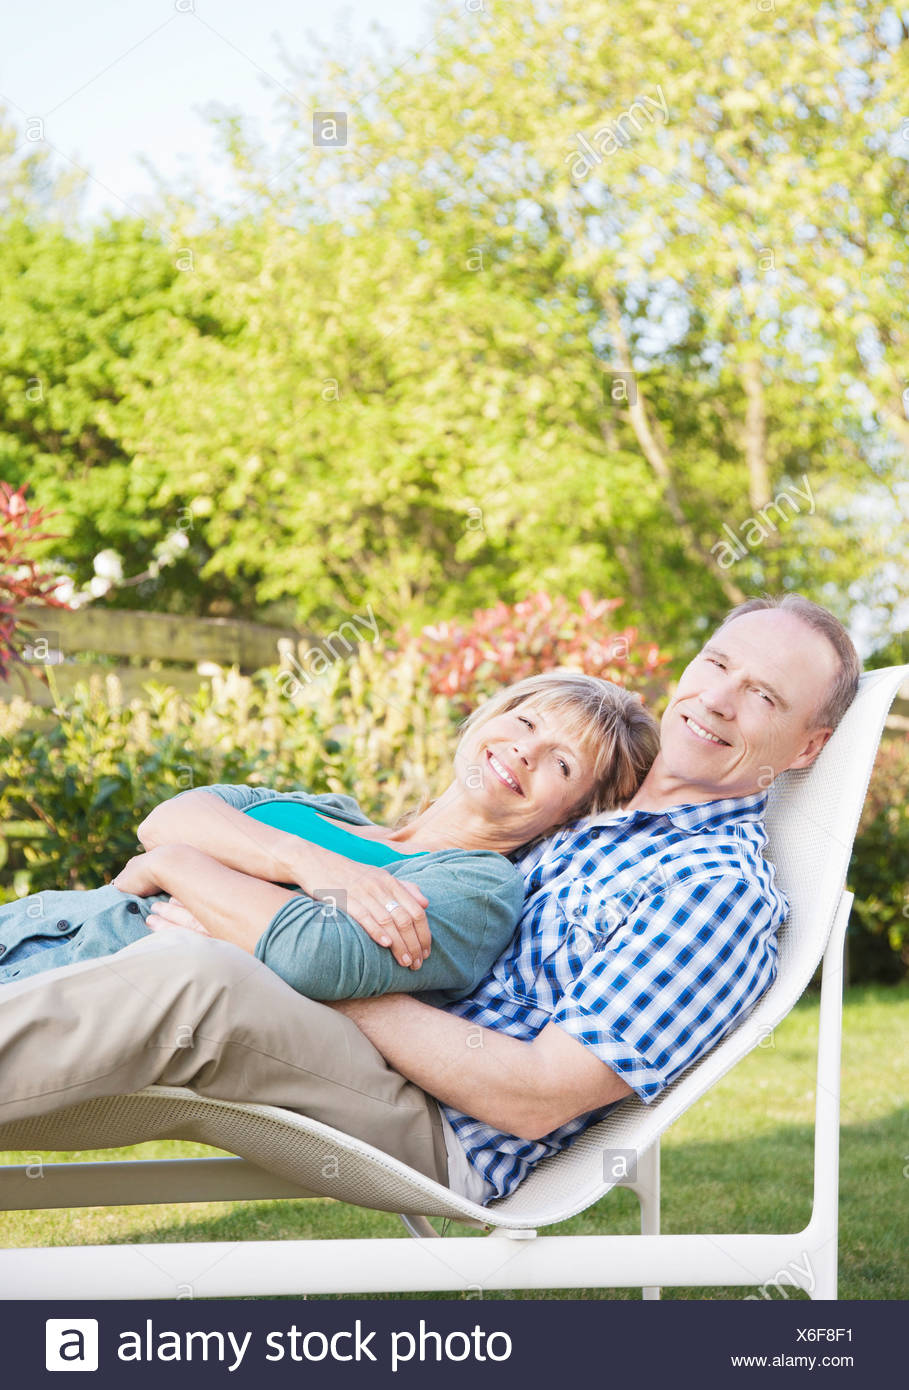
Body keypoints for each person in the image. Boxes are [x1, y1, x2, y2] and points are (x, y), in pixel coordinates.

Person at [0, 595, 861, 1208]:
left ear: (806, 745)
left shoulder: (714, 890)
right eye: (717, 664)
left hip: (441, 1128)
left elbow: (536, 1095)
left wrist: (311, 970)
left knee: (202, 983)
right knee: (189, 959)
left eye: (764, 697)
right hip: (386, 1059)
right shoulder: (595, 829)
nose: (716, 699)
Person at [0, 672, 659, 1006]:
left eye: (562, 765)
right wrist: (300, 861)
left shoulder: (477, 887)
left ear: (574, 813)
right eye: (523, 723)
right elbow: (168, 818)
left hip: (73, 988)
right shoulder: (332, 814)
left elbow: (310, 952)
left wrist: (172, 865)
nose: (522, 753)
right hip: (34, 929)